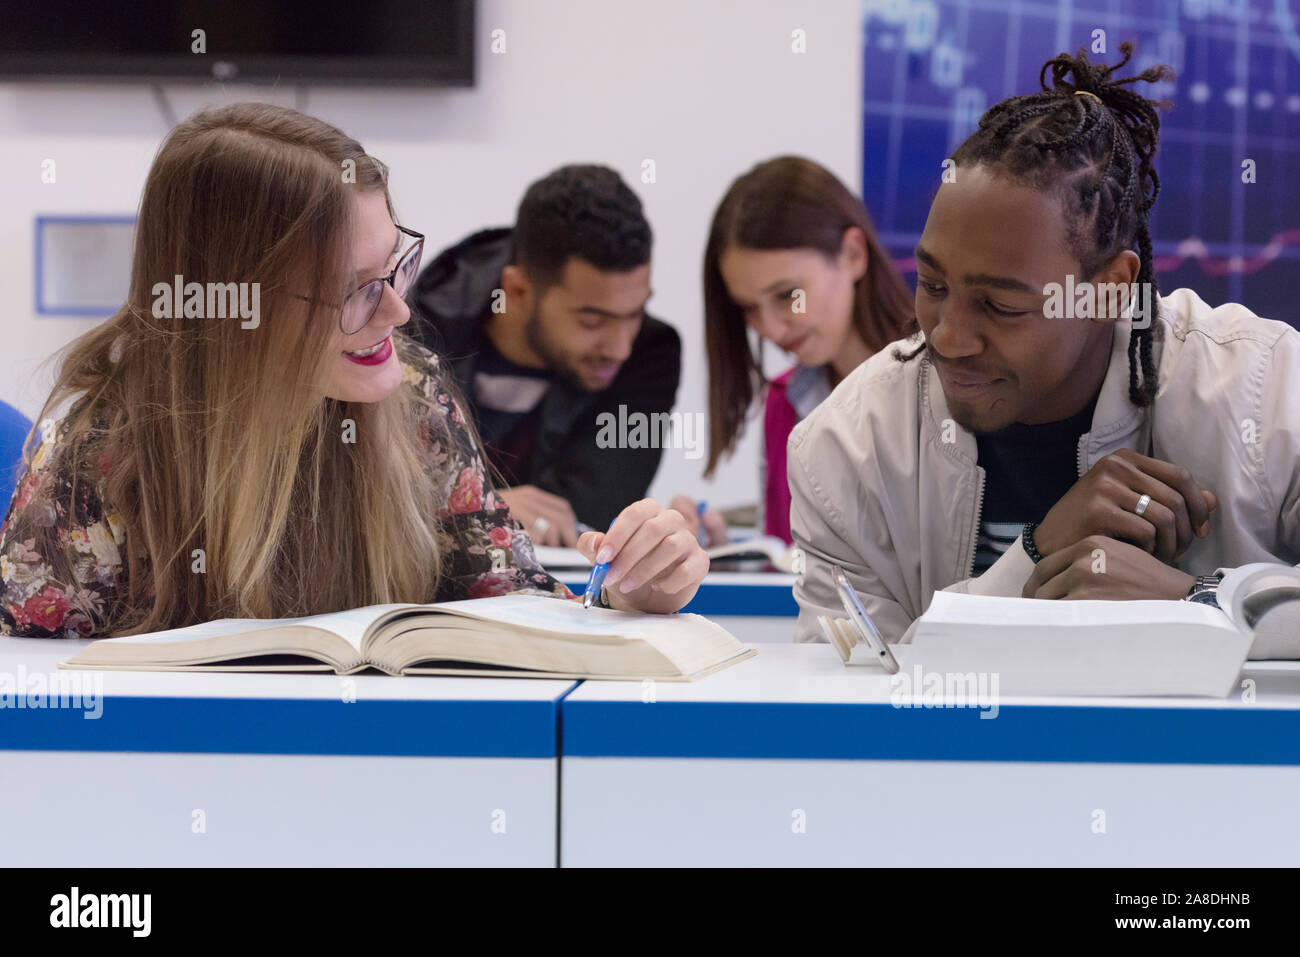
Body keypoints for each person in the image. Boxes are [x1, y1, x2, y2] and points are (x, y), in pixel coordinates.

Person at [0, 104, 707, 641]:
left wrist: (627, 593)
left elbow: (516, 610)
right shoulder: (102, 445)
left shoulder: (417, 401)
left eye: (396, 266)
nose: (398, 311)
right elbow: (29, 682)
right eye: (354, 288)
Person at [789, 43, 1300, 652]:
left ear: (1109, 290)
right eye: (932, 285)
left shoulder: (1265, 395)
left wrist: (1194, 606)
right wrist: (1029, 560)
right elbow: (856, 701)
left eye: (1001, 306)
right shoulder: (847, 450)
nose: (947, 337)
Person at [406, 165, 682, 545]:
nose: (620, 348)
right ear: (517, 291)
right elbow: (381, 494)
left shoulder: (651, 354)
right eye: (591, 320)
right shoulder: (413, 332)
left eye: (635, 314)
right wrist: (478, 507)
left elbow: (593, 507)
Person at [670, 156, 912, 545]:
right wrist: (728, 555)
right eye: (748, 307)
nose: (769, 328)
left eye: (787, 295)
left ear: (852, 254)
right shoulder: (784, 404)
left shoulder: (947, 389)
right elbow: (793, 569)